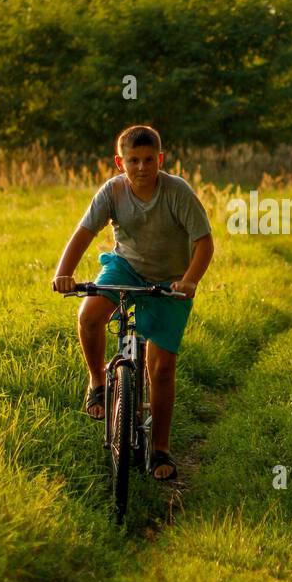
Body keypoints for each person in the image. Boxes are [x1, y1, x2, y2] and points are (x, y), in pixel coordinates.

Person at [51, 124, 214, 480]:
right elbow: (84, 233)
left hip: (171, 280)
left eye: (148, 160)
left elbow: (204, 243)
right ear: (119, 162)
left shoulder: (177, 192)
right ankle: (96, 383)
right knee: (90, 314)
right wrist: (64, 272)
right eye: (133, 161)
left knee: (162, 367)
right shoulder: (112, 192)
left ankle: (160, 449)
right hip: (125, 268)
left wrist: (189, 281)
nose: (141, 167)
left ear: (160, 159)